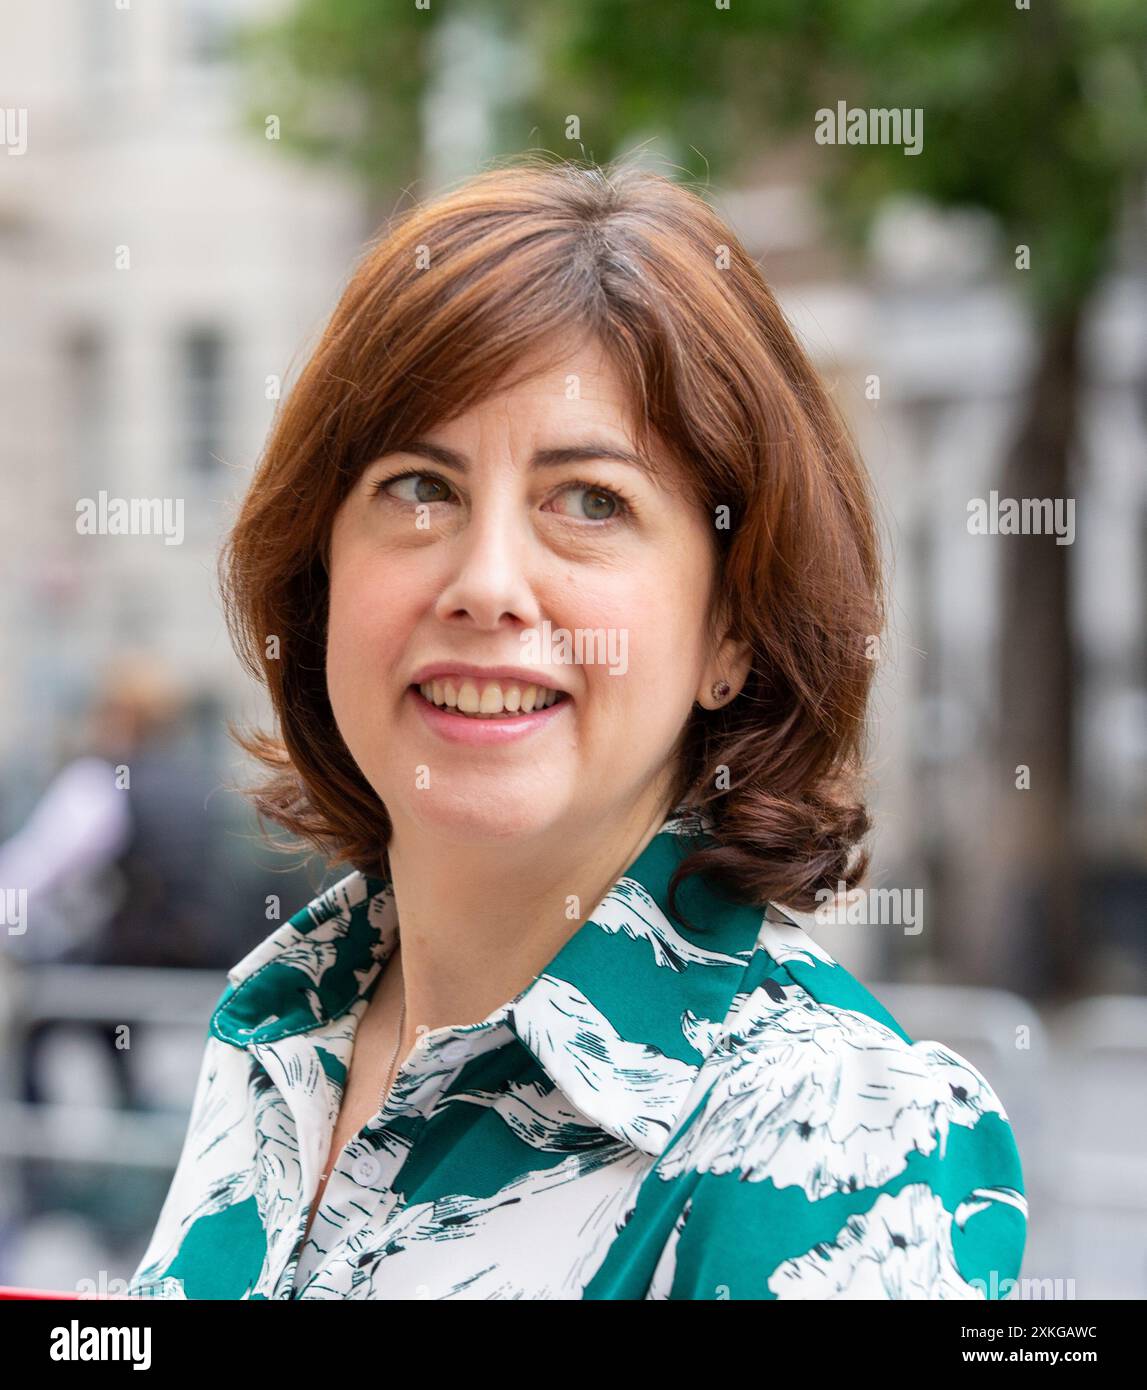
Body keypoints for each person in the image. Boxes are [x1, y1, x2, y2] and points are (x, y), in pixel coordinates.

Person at [126, 154, 1027, 1300]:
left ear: (729, 632)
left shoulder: (839, 1141)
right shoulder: (285, 1033)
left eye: (591, 501)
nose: (486, 582)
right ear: (321, 578)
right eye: (419, 488)